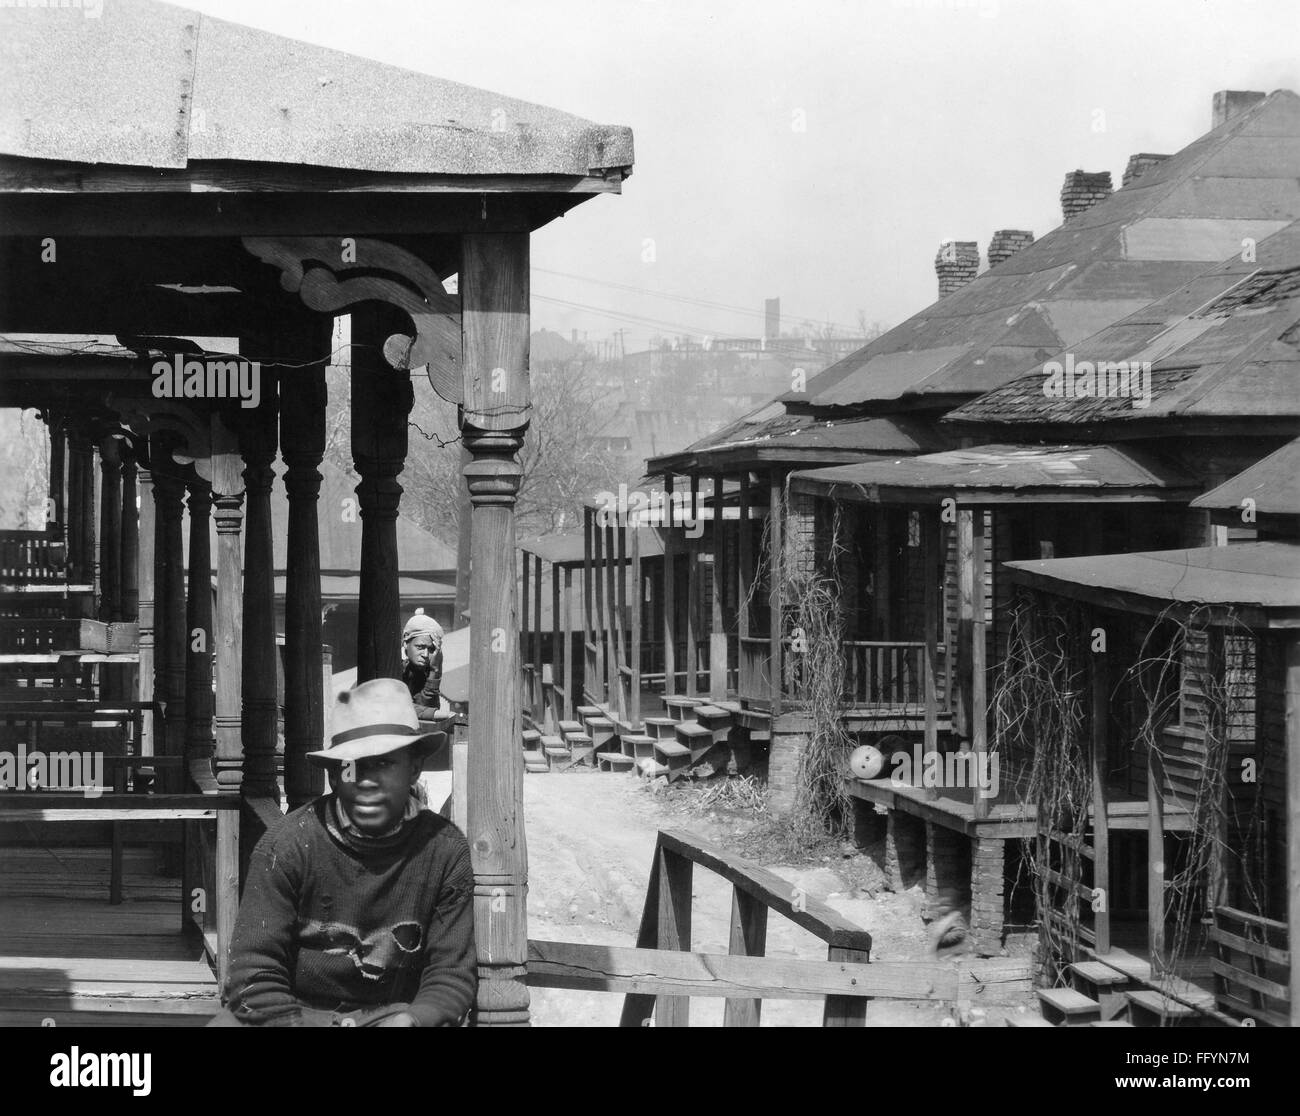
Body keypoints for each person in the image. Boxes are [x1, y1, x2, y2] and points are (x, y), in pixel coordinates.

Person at [210, 678, 476, 1027]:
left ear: (414, 768)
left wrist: (413, 1019)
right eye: (353, 767)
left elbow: (451, 975)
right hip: (296, 1012)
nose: (367, 781)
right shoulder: (286, 845)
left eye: (385, 764)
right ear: (335, 776)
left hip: (393, 1014)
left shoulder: (444, 850)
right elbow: (252, 974)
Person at [402, 608, 445, 721]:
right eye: (420, 647)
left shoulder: (424, 676)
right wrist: (443, 715)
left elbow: (425, 712)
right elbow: (400, 709)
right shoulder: (393, 671)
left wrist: (435, 670)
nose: (425, 654)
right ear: (406, 644)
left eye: (431, 649)